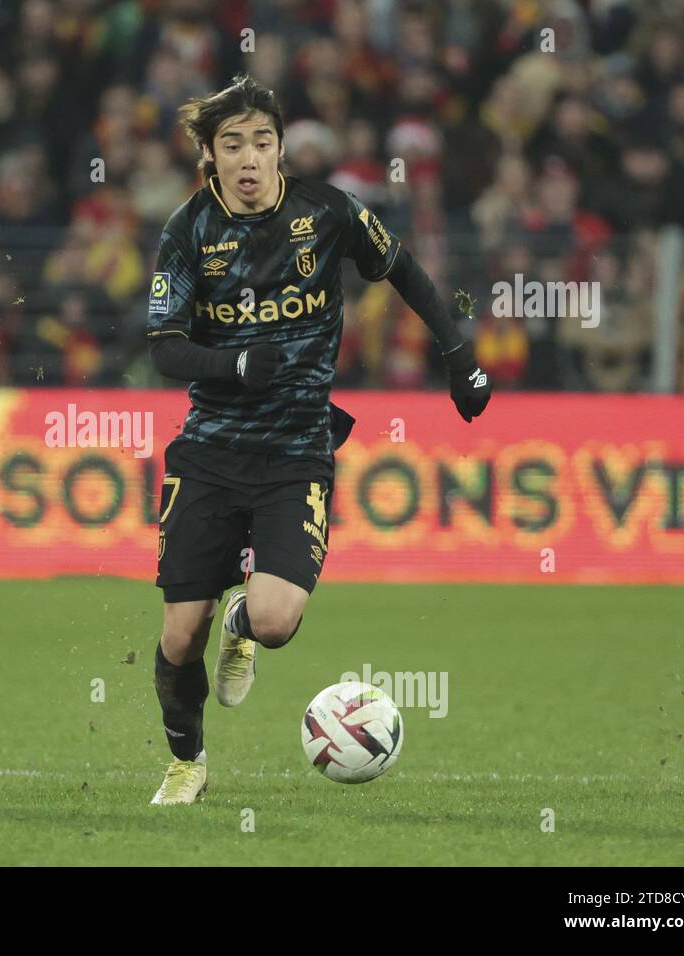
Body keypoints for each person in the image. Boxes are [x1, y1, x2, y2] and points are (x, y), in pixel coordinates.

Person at [145, 75, 491, 805]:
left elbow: (405, 272)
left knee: (273, 622)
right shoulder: (187, 230)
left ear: (280, 149)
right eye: (232, 145)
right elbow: (164, 347)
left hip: (296, 451)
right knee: (180, 634)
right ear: (208, 154)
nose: (249, 159)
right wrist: (234, 363)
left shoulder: (328, 212)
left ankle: (241, 621)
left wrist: (459, 355)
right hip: (208, 451)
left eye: (262, 143)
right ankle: (187, 763)